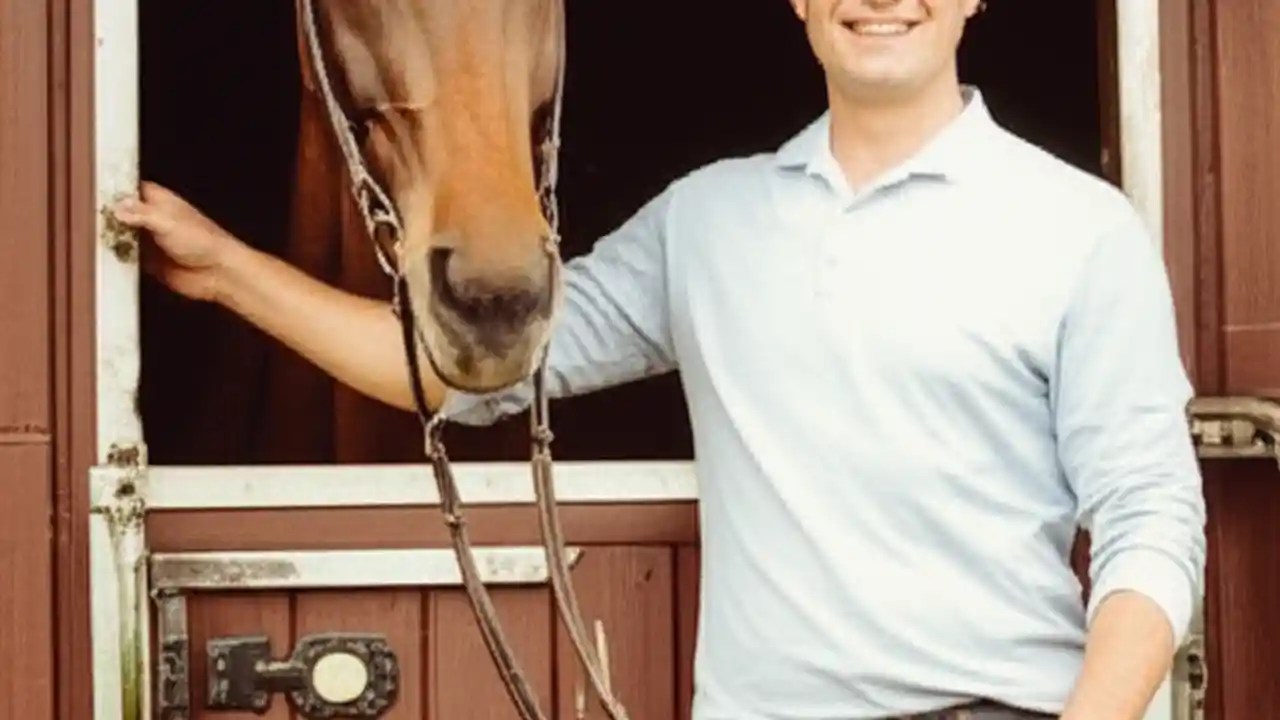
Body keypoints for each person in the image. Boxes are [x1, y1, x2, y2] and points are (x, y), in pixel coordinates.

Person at [114, 0, 1206, 717]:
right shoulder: (709, 223)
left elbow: (1151, 517)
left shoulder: (1077, 228)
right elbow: (468, 377)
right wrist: (226, 272)